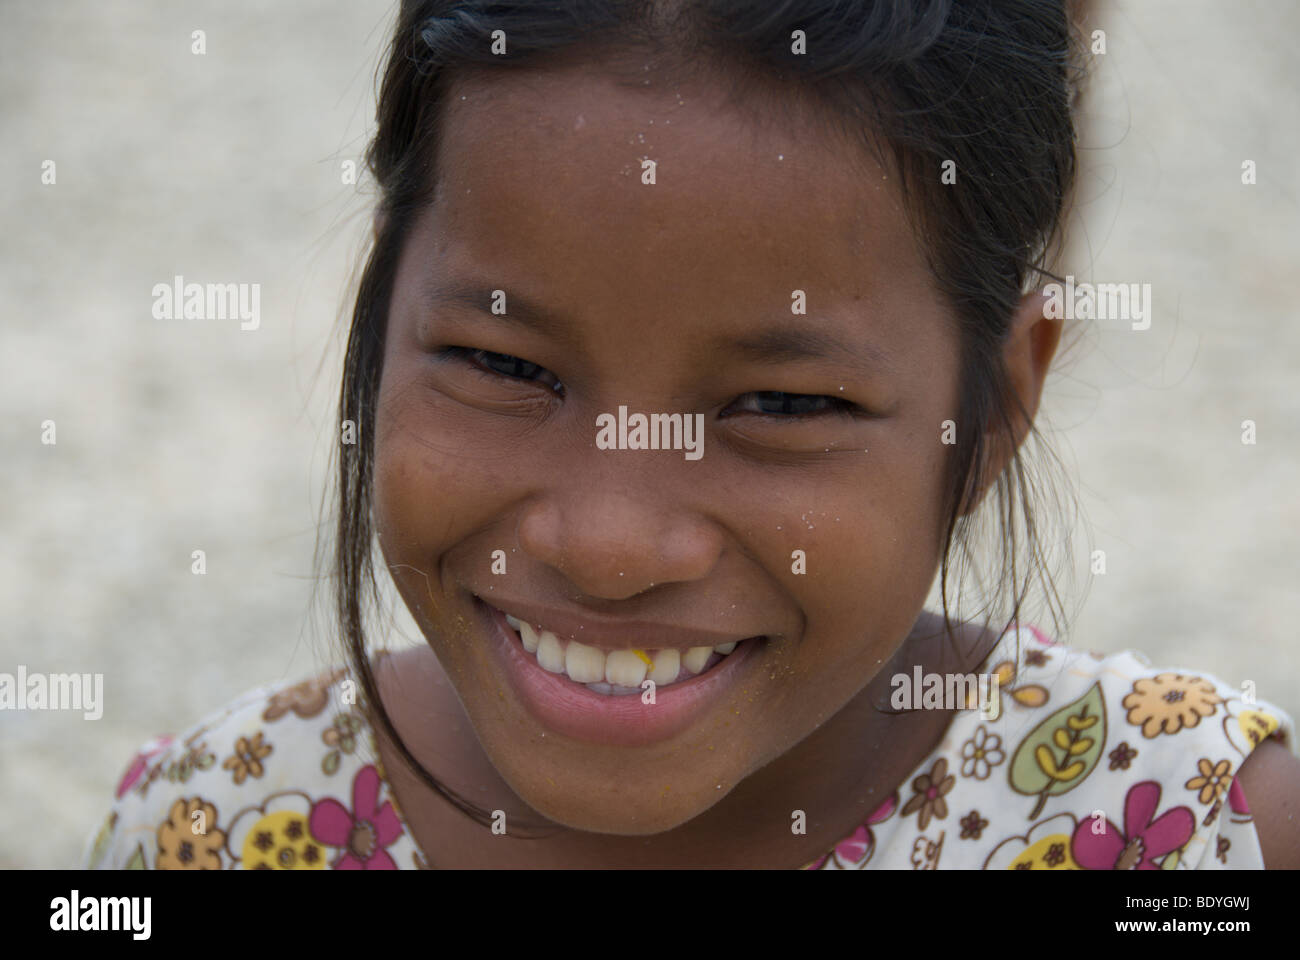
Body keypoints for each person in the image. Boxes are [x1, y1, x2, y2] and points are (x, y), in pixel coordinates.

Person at [82, 0, 1299, 870]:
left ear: (997, 411)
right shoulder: (211, 829)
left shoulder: (1188, 834)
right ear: (379, 314)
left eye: (781, 407)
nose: (611, 546)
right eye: (505, 365)